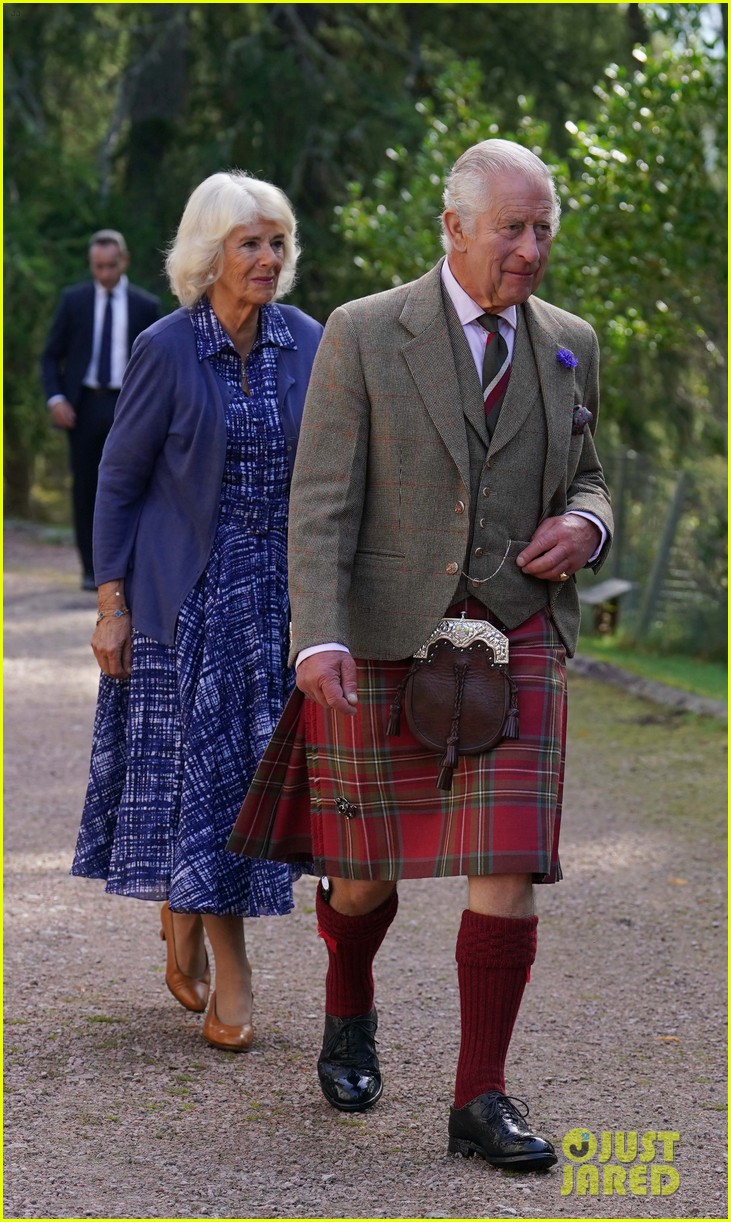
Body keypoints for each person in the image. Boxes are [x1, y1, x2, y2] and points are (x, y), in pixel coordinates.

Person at [228, 140, 612, 1163]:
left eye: (542, 230)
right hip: (383, 637)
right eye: (510, 229)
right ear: (452, 227)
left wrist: (587, 525)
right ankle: (348, 992)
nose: (529, 249)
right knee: (361, 876)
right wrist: (316, 634)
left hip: (516, 633)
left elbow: (588, 474)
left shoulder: (568, 343)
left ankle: (478, 1096)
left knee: (507, 859)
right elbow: (320, 500)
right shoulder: (364, 331)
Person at [71, 172, 323, 1051]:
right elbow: (118, 479)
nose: (268, 258)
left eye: (277, 242)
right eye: (250, 242)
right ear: (210, 253)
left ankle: (185, 907)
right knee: (215, 784)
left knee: (247, 785)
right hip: (185, 598)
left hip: (276, 605)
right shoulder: (167, 347)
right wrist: (111, 605)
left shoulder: (308, 341)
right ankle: (234, 967)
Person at [41, 230, 160, 589]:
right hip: (84, 406)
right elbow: (50, 356)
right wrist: (56, 398)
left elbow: (158, 363)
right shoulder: (73, 301)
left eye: (110, 265)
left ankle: (128, 564)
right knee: (85, 486)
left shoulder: (145, 306)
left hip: (128, 407)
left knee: (133, 483)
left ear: (124, 261)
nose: (105, 273)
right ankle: (90, 569)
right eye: (98, 267)